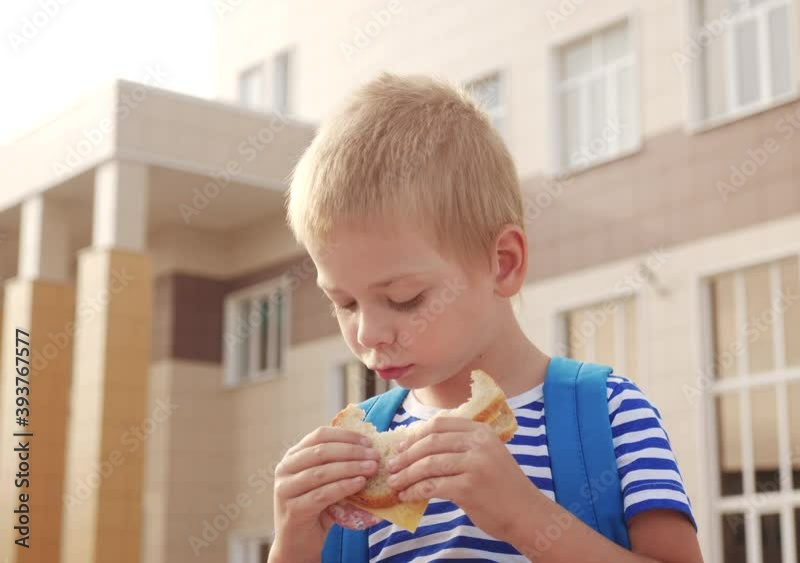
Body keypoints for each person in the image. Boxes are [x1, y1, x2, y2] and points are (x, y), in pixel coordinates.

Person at [269, 72, 703, 563]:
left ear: (503, 264)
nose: (367, 333)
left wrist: (525, 518)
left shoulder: (610, 412)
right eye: (344, 303)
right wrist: (294, 541)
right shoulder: (357, 463)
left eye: (405, 298)